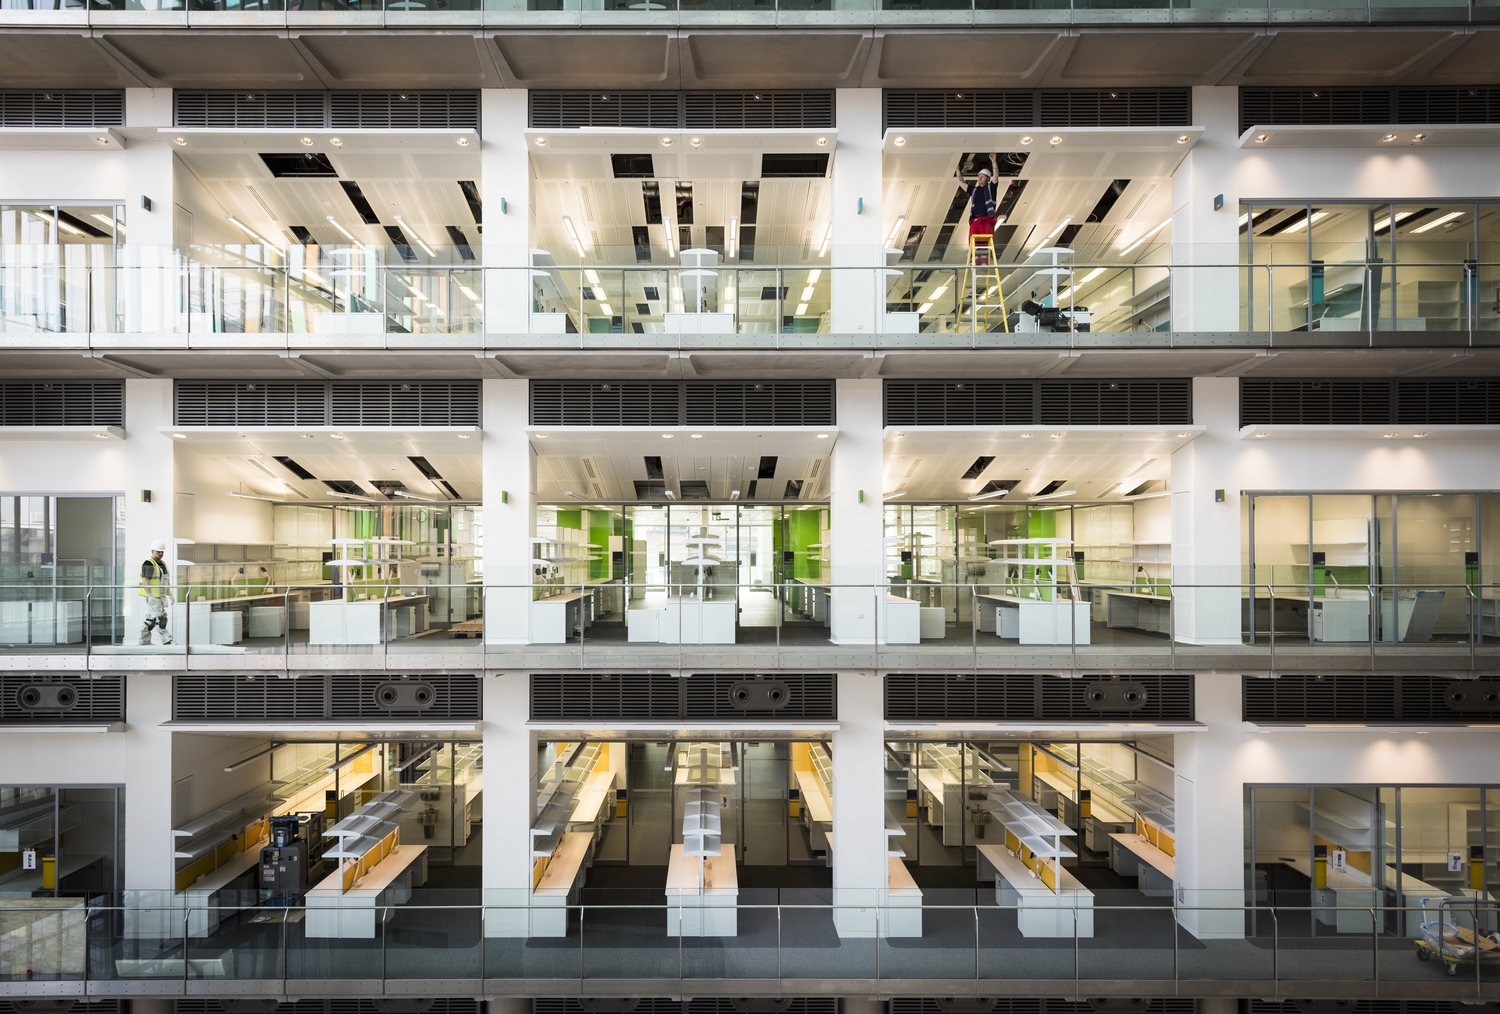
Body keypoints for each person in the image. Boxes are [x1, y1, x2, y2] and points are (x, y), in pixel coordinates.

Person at [954, 153, 1002, 260]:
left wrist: (993, 161)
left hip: (986, 220)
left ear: (988, 179)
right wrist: (958, 170)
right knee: (972, 240)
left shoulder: (991, 188)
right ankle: (975, 261)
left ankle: (984, 262)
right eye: (979, 176)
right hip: (975, 220)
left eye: (982, 176)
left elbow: (995, 176)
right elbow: (962, 184)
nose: (979, 178)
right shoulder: (974, 190)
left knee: (985, 242)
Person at [139, 539, 176, 646]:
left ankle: (144, 641)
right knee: (160, 618)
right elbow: (145, 580)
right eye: (158, 551)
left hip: (160, 596)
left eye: (162, 551)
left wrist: (170, 595)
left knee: (152, 618)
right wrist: (150, 595)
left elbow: (165, 581)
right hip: (153, 596)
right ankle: (167, 640)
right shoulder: (149, 563)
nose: (161, 553)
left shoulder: (161, 564)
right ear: (152, 551)